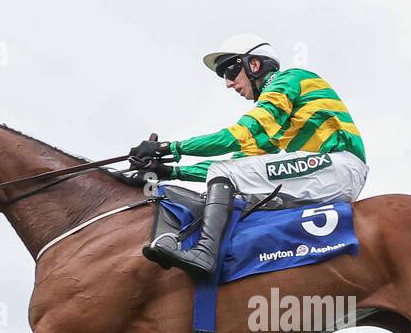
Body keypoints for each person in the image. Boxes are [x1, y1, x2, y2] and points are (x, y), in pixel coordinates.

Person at [131, 33, 368, 279]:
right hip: (325, 175)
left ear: (254, 65)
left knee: (224, 174)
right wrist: (172, 172)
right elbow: (235, 164)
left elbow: (237, 135)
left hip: (338, 166)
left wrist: (169, 149)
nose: (229, 84)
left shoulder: (289, 79)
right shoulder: (277, 123)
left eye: (230, 72)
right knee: (231, 179)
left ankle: (205, 253)